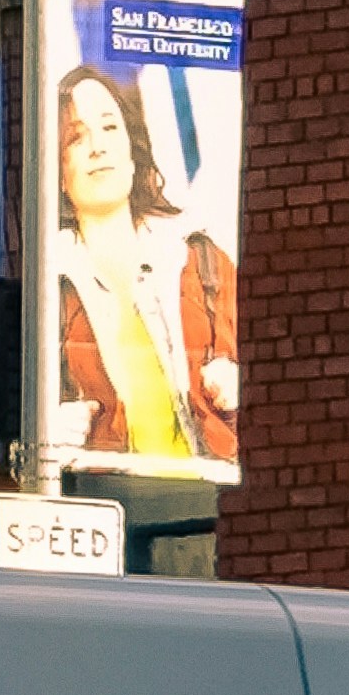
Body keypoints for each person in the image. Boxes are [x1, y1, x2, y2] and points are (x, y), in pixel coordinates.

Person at [51, 63, 241, 471]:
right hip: (109, 494)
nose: (97, 147)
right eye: (76, 137)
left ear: (133, 149)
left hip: (207, 490)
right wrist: (41, 428)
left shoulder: (203, 261)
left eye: (109, 127)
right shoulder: (42, 292)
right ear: (57, 169)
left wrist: (238, 385)